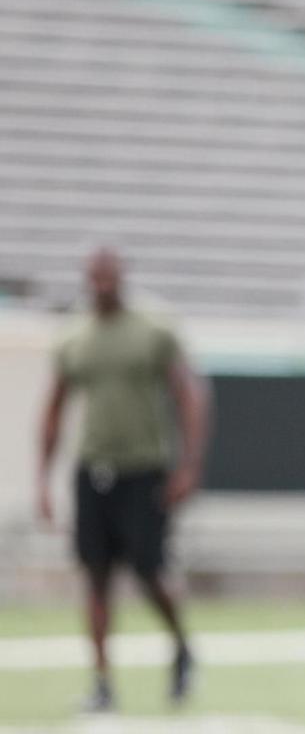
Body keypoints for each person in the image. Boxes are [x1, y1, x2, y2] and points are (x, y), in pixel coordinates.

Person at [35, 248, 210, 712]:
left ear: (121, 277)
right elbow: (54, 409)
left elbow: (190, 394)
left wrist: (188, 464)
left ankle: (181, 647)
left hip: (142, 470)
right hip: (92, 469)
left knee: (150, 573)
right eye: (95, 279)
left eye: (109, 278)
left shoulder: (151, 330)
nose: (102, 286)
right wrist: (43, 480)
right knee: (94, 577)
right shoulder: (74, 336)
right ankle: (102, 682)